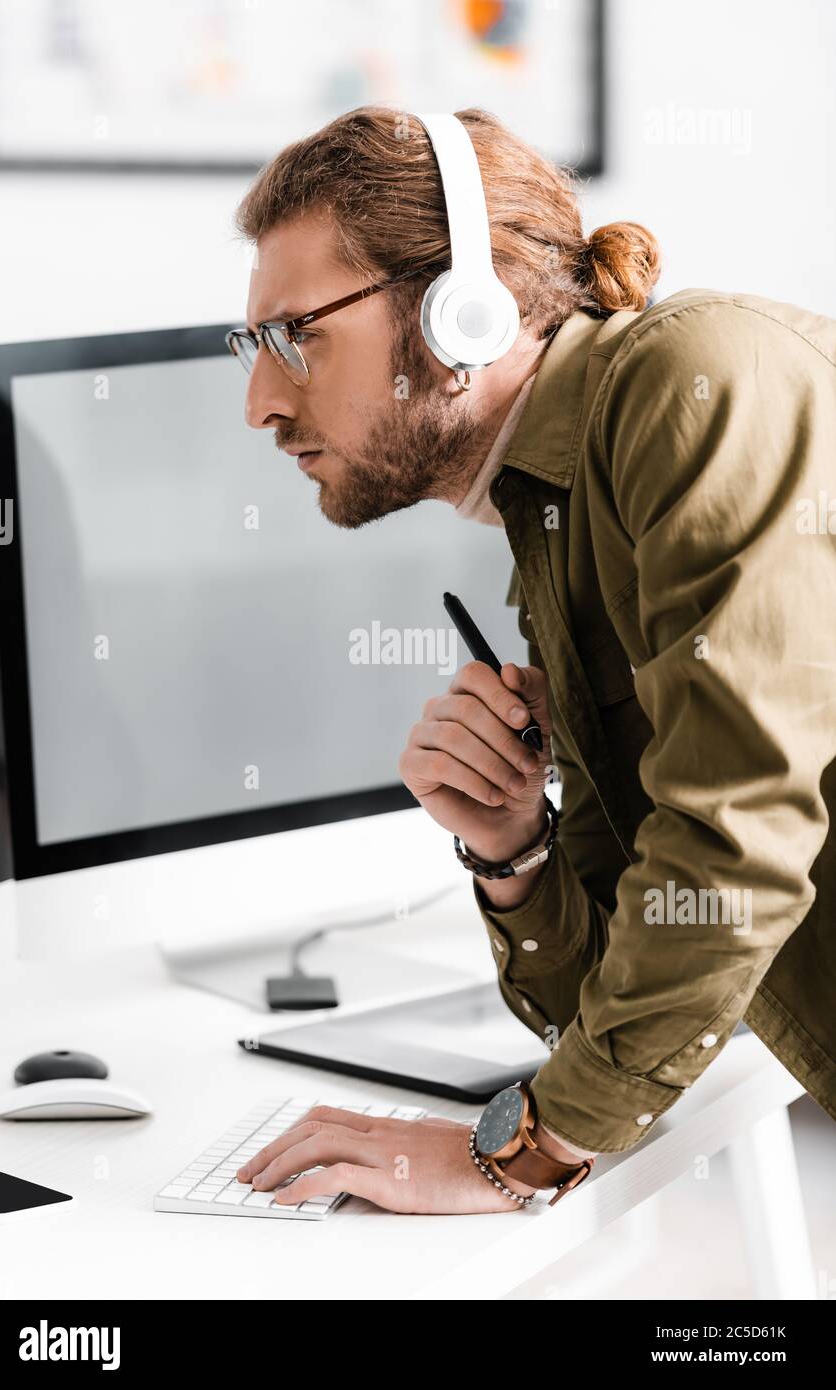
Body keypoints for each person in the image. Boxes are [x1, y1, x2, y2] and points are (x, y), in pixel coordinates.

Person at [231, 105, 836, 1215]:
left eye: (295, 335)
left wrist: (516, 1157)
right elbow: (596, 1006)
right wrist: (512, 850)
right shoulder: (553, 522)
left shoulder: (697, 383)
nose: (262, 404)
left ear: (463, 309)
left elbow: (738, 847)